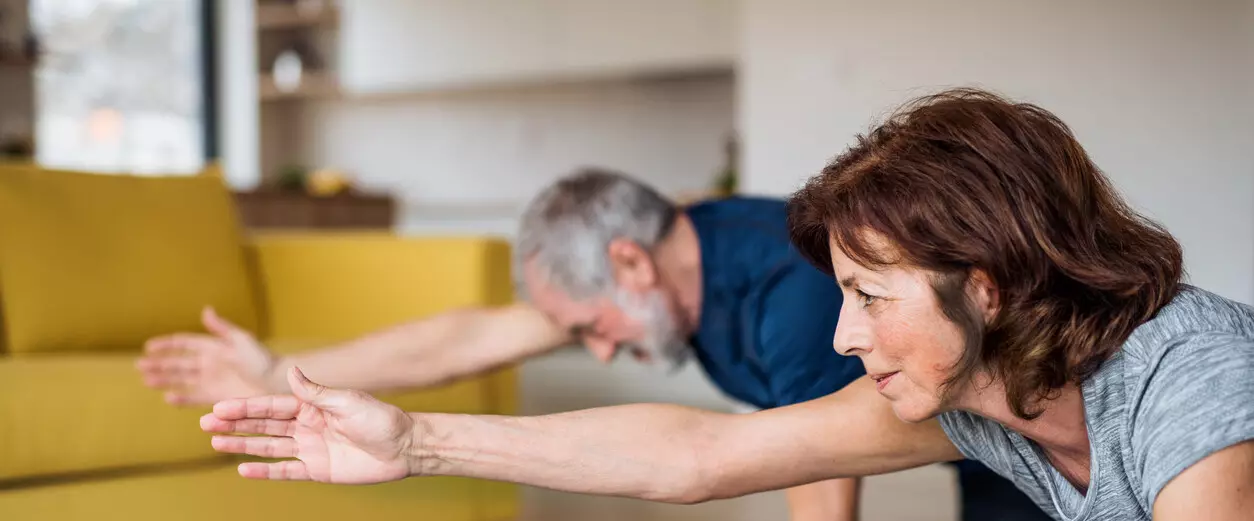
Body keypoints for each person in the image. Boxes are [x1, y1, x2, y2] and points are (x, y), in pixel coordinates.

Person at [191, 88, 1253, 520]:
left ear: (988, 283)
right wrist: (415, 436)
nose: (844, 333)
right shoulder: (973, 388)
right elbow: (698, 456)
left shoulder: (1189, 383)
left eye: (870, 297)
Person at [147, 169, 982, 520]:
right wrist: (284, 374)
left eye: (589, 325)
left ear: (628, 261)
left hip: (1007, 441)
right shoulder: (666, 247)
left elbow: (805, 462)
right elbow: (473, 334)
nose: (602, 348)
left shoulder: (792, 295)